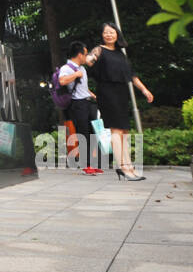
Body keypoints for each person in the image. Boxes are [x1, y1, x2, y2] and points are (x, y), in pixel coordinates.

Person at [88, 22, 154, 180]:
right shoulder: (99, 49)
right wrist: (90, 58)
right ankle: (123, 168)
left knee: (124, 131)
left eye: (112, 32)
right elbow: (90, 59)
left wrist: (144, 90)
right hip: (107, 92)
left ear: (117, 34)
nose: (109, 34)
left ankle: (129, 168)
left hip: (121, 93)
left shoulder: (120, 53)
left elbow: (131, 74)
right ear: (102, 35)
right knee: (116, 130)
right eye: (106, 32)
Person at [59, 41, 102, 174]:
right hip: (77, 104)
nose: (86, 56)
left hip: (88, 102)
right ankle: (86, 164)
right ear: (79, 54)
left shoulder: (82, 68)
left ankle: (92, 163)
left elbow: (83, 87)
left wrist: (93, 95)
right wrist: (75, 75)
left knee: (93, 133)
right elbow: (62, 81)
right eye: (85, 53)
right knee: (83, 133)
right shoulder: (66, 68)